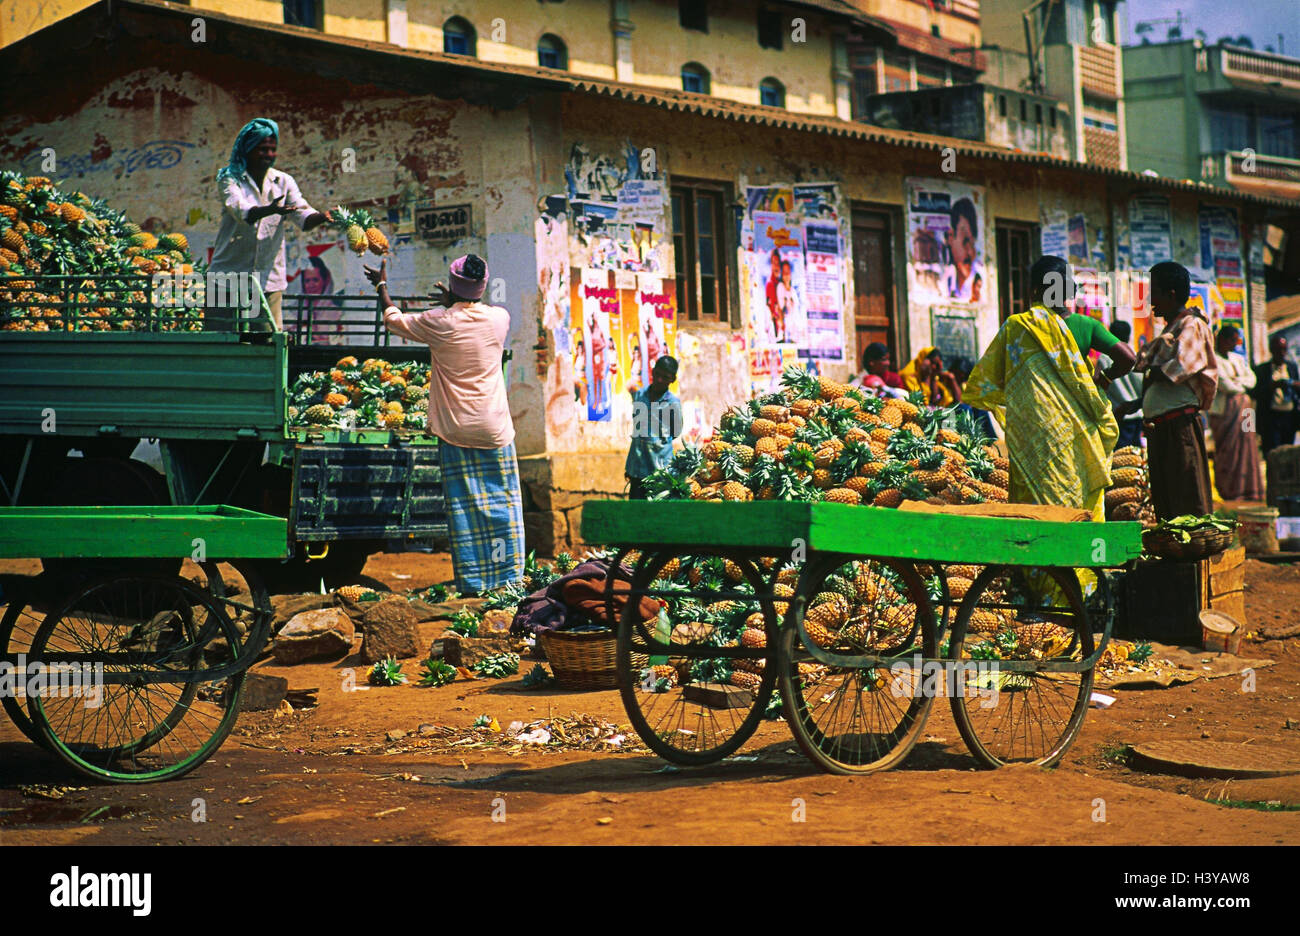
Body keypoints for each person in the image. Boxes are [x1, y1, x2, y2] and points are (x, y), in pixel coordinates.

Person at [365, 254, 523, 595]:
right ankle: (508, 581)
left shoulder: (437, 321)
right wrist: (456, 300)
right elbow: (472, 309)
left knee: (465, 511)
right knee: (503, 508)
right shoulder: (500, 319)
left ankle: (474, 583)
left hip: (455, 431)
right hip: (494, 430)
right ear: (483, 285)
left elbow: (393, 320)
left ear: (450, 285)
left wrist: (382, 286)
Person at [963, 255, 1118, 520]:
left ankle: (1034, 559)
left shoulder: (1018, 326)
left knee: (1034, 503)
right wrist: (1103, 380)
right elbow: (1128, 356)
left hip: (1032, 431)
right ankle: (1080, 556)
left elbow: (990, 378)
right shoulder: (1086, 326)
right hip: (1077, 430)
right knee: (1075, 489)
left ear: (1035, 290)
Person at [209, 118, 331, 331]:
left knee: (266, 342)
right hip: (227, 276)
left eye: (272, 150)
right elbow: (241, 211)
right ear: (248, 149)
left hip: (267, 280)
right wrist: (271, 209)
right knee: (221, 342)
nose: (269, 155)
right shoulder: (229, 178)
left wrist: (323, 216)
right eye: (262, 149)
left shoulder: (283, 182)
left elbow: (303, 215)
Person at [1133, 261, 1217, 520]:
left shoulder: (1191, 325)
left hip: (1179, 425)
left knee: (1187, 496)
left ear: (1171, 294)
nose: (1151, 300)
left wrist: (1149, 364)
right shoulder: (1172, 329)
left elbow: (1179, 368)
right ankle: (1174, 554)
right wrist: (1138, 402)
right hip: (1162, 426)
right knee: (1166, 498)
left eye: (1154, 292)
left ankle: (1193, 556)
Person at [1209, 325, 1262, 501]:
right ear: (1222, 340)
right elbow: (1225, 385)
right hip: (1226, 412)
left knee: (1248, 444)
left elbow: (1252, 380)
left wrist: (1238, 381)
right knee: (1228, 450)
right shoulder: (1213, 360)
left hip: (1245, 411)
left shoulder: (1238, 359)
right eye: (1231, 339)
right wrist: (1239, 384)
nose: (1234, 344)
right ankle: (1229, 490)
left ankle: (1249, 489)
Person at [625, 356, 683, 500]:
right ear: (652, 372)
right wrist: (629, 468)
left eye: (665, 377)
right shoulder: (640, 395)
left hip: (660, 470)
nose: (659, 380)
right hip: (637, 468)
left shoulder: (672, 403)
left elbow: (676, 432)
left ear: (672, 380)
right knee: (635, 513)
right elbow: (637, 432)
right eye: (657, 374)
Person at [1099, 320, 1143, 449]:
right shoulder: (1137, 355)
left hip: (1117, 416)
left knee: (1120, 460)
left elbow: (1102, 386)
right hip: (1137, 415)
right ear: (1129, 336)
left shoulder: (1105, 358)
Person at [1253, 335, 1300, 454]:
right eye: (1278, 350)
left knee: (1288, 452)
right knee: (1272, 452)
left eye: (1284, 349)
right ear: (1272, 350)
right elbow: (1255, 393)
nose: (1282, 353)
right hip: (1271, 418)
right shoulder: (1262, 370)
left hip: (1289, 417)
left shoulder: (1291, 367)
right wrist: (1272, 386)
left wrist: (1294, 385)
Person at [943, 197, 982, 302]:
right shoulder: (945, 280)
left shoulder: (978, 281)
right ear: (950, 237)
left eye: (972, 244)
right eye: (965, 242)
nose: (970, 252)